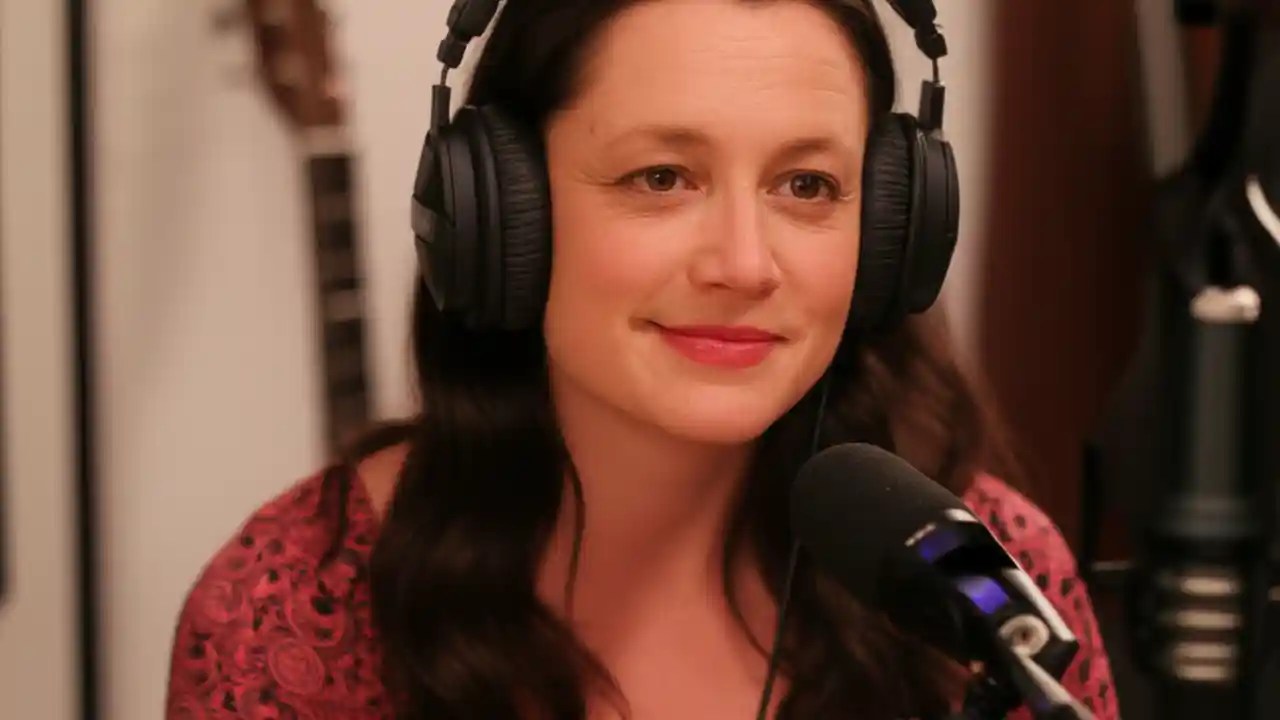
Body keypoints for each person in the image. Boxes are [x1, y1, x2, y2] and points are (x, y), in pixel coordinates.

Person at [165, 1, 1119, 718]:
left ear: (891, 235)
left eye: (806, 184)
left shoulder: (985, 579)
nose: (745, 264)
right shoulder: (286, 615)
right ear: (500, 219)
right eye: (660, 178)